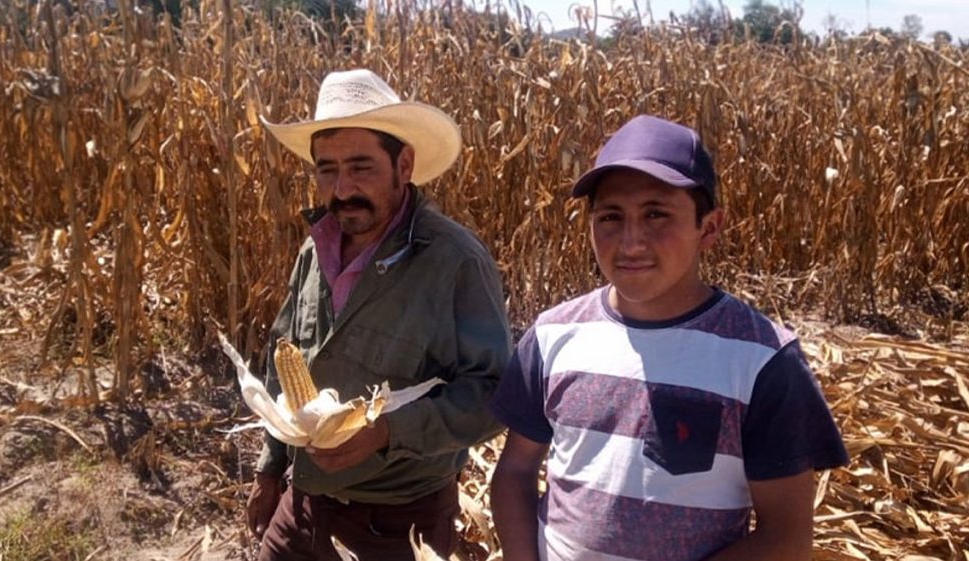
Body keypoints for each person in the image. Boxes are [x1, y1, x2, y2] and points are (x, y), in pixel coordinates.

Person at [489, 115, 849, 561]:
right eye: (610, 217)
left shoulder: (762, 360)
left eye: (657, 214)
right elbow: (516, 472)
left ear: (709, 227)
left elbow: (786, 539)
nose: (631, 242)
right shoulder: (553, 336)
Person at [248, 69, 512, 561]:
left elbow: (494, 390)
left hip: (396, 526)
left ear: (404, 164)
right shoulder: (315, 250)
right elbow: (283, 362)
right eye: (327, 169)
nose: (342, 188)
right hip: (300, 508)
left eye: (361, 167)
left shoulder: (455, 262)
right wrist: (270, 469)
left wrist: (389, 431)